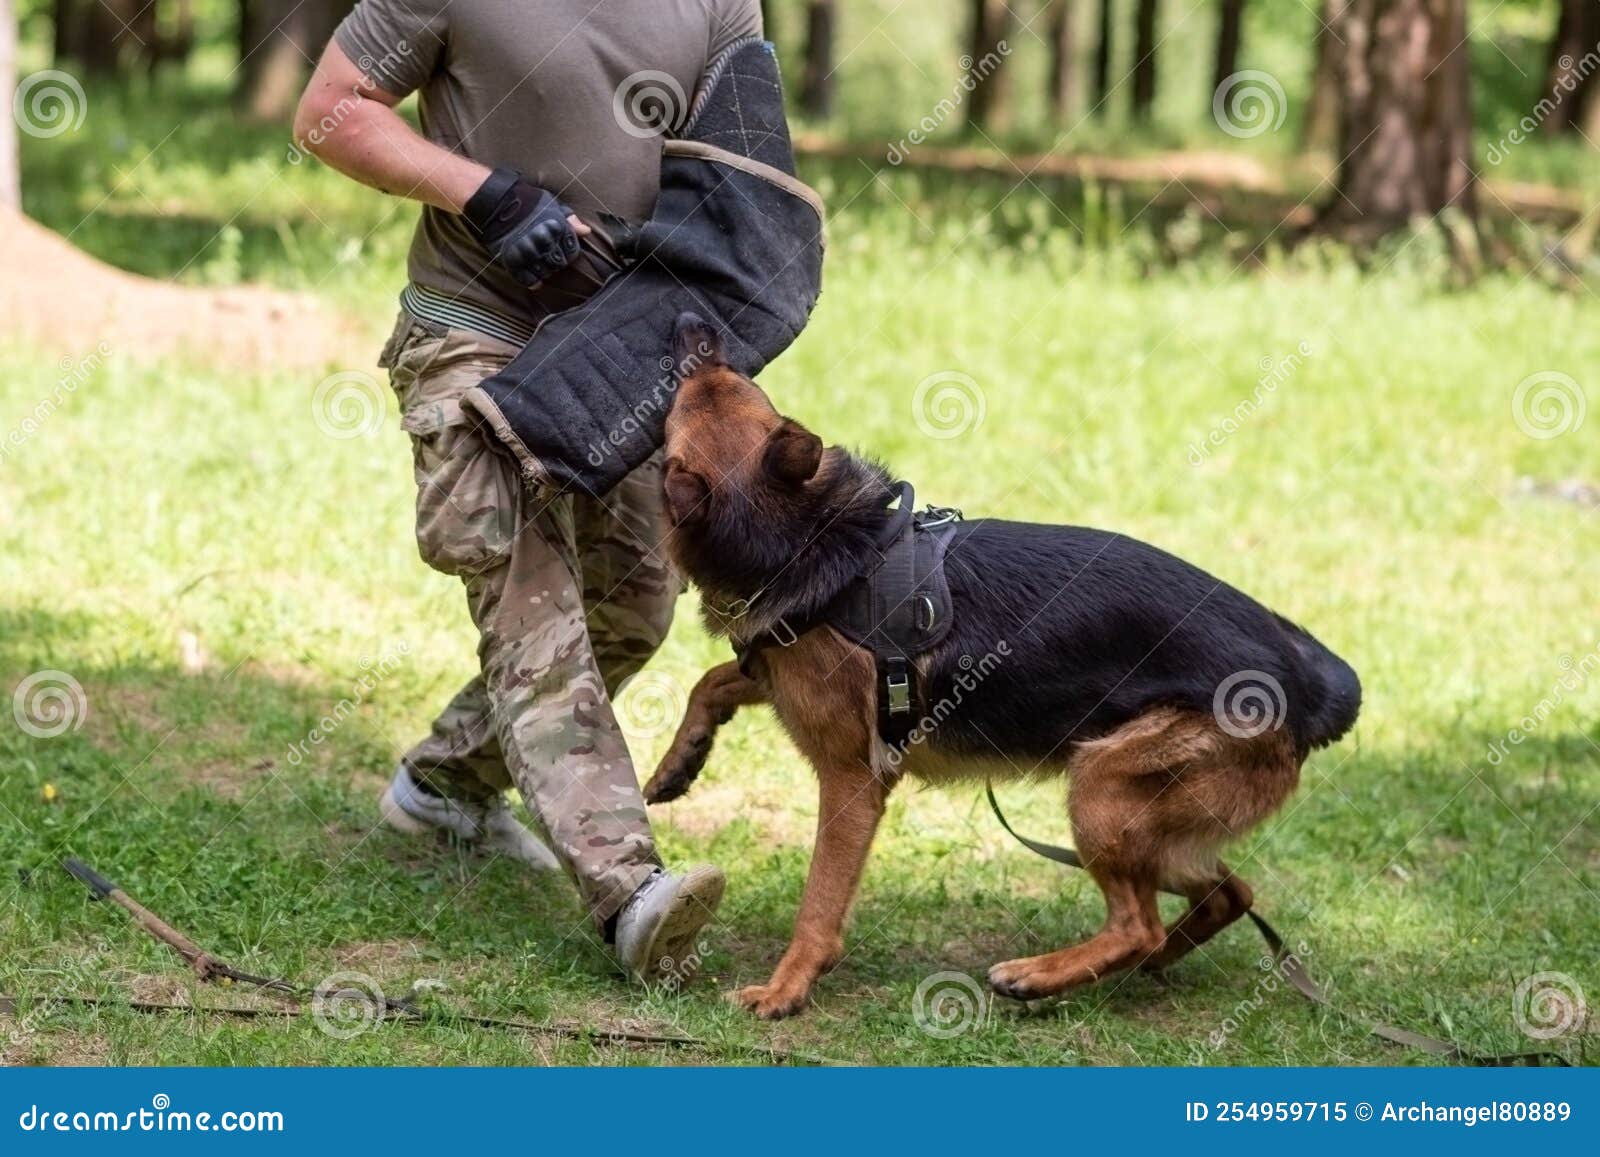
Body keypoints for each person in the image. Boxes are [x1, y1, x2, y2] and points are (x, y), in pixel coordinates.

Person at [292, 0, 763, 984]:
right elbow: (331, 110)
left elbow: (738, 168)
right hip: (472, 329)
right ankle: (626, 888)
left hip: (619, 342)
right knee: (529, 591)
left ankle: (444, 785)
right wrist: (488, 195)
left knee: (633, 605)